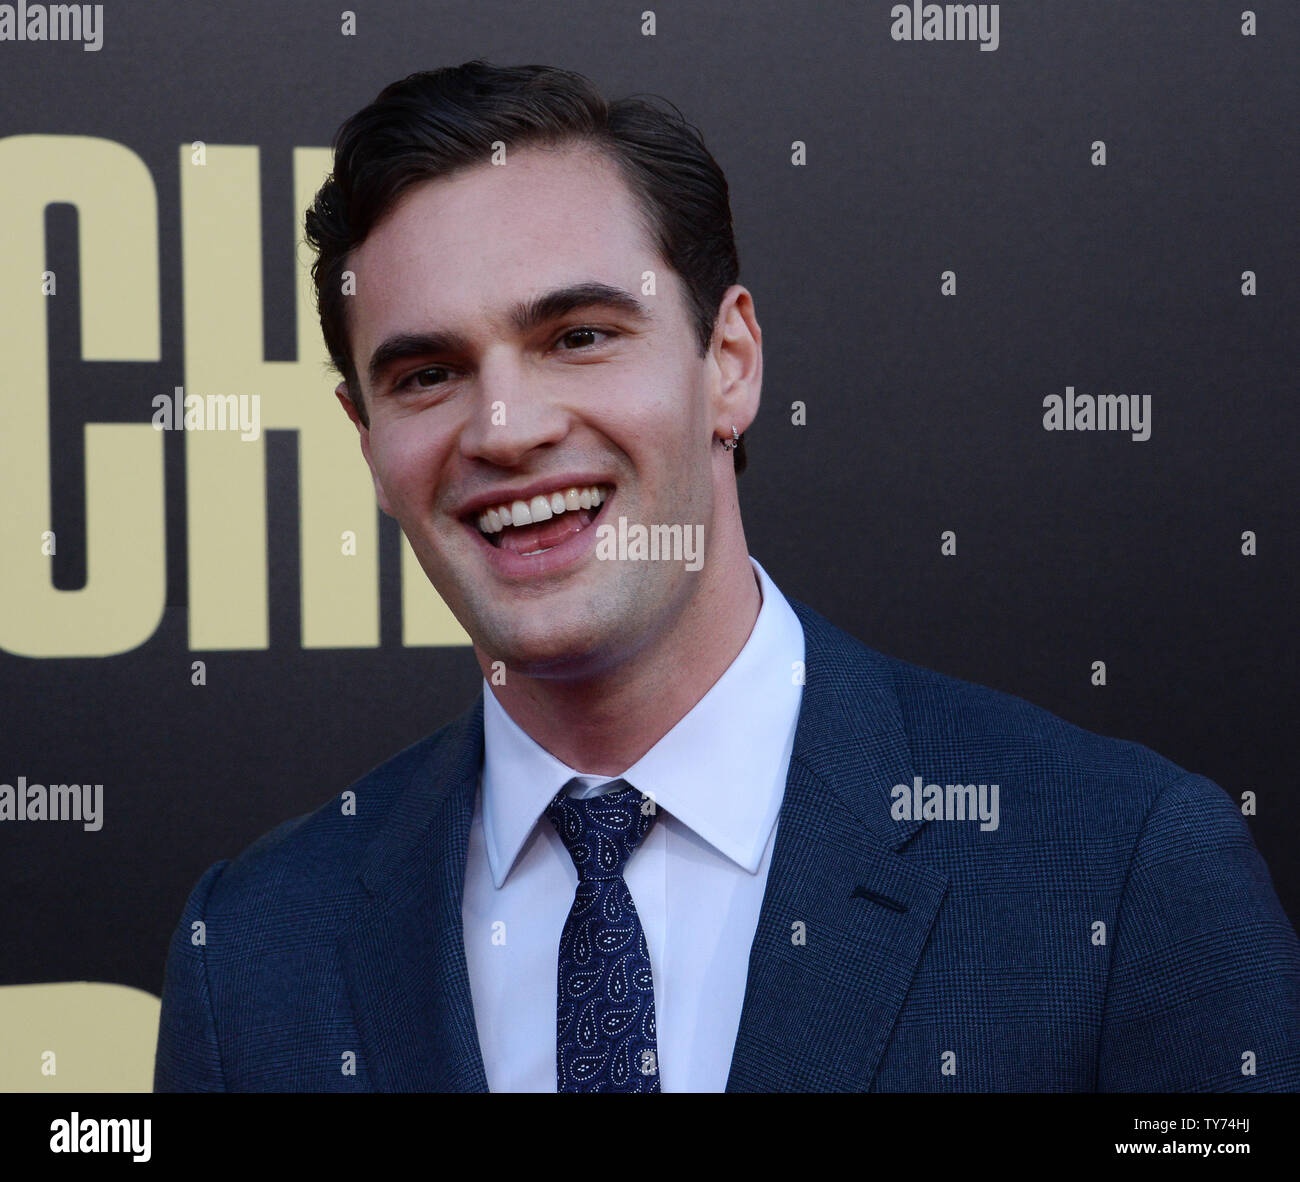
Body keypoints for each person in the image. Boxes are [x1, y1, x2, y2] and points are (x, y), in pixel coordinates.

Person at [154, 59, 1300, 1093]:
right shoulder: (257, 950)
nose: (504, 430)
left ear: (731, 365)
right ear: (367, 442)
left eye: (579, 336)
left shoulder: (1117, 869)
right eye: (426, 374)